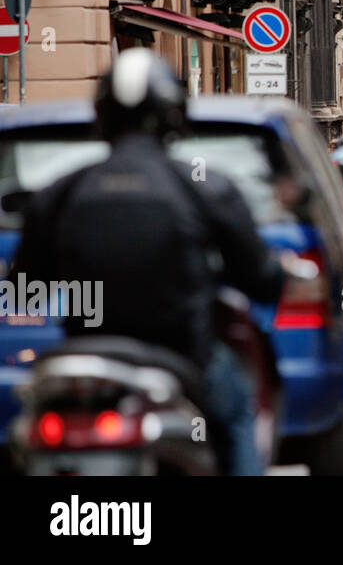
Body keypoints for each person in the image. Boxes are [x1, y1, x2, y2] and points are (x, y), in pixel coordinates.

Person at [8, 49, 294, 475]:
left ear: (102, 116)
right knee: (236, 413)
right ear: (172, 117)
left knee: (24, 434)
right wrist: (275, 274)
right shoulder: (204, 189)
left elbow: (25, 287)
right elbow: (260, 278)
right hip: (182, 360)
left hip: (85, 362)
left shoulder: (61, 192)